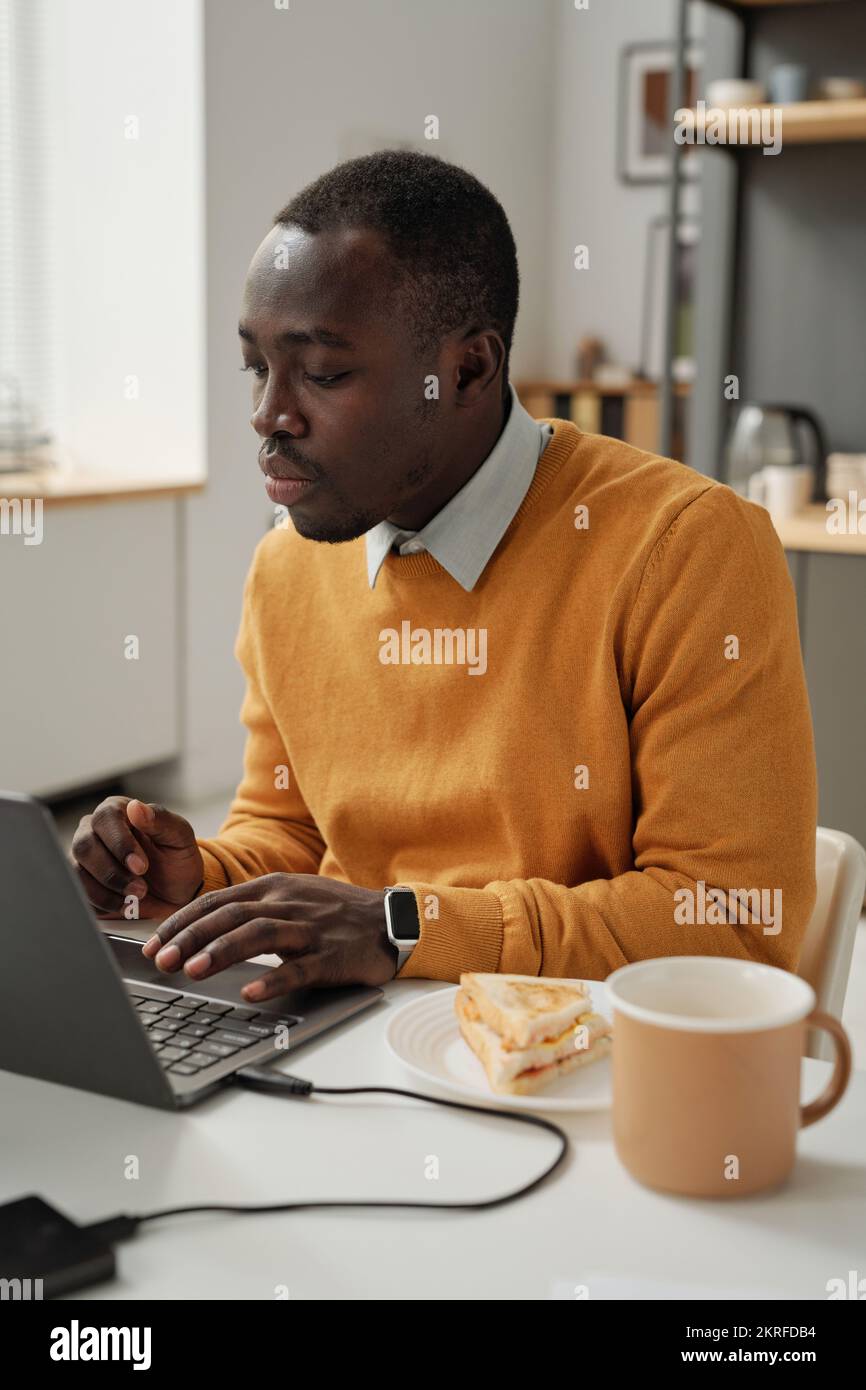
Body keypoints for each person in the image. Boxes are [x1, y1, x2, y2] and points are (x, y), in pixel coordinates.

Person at [70, 150, 817, 1003]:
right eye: (257, 366)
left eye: (321, 372)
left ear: (467, 370)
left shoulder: (688, 548)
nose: (268, 414)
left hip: (573, 1067)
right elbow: (291, 830)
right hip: (355, 1046)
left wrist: (402, 926)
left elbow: (731, 925)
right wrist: (194, 878)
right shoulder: (288, 564)